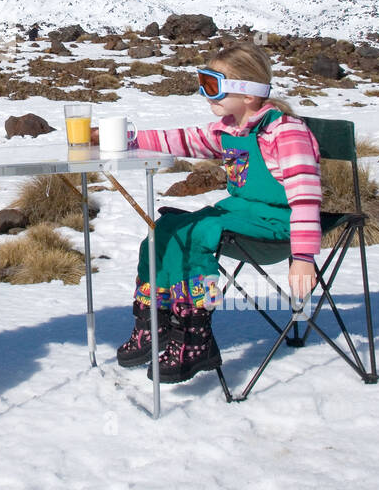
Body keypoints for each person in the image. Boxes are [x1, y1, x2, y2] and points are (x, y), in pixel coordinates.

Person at [116, 42, 321, 382]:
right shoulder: (229, 129)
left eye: (213, 84)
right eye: (203, 82)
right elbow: (183, 140)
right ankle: (155, 320)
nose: (205, 92)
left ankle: (196, 334)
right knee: (166, 229)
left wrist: (303, 256)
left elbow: (305, 199)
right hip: (240, 213)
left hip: (279, 225)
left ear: (248, 94)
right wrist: (130, 140)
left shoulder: (285, 132)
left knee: (199, 232)